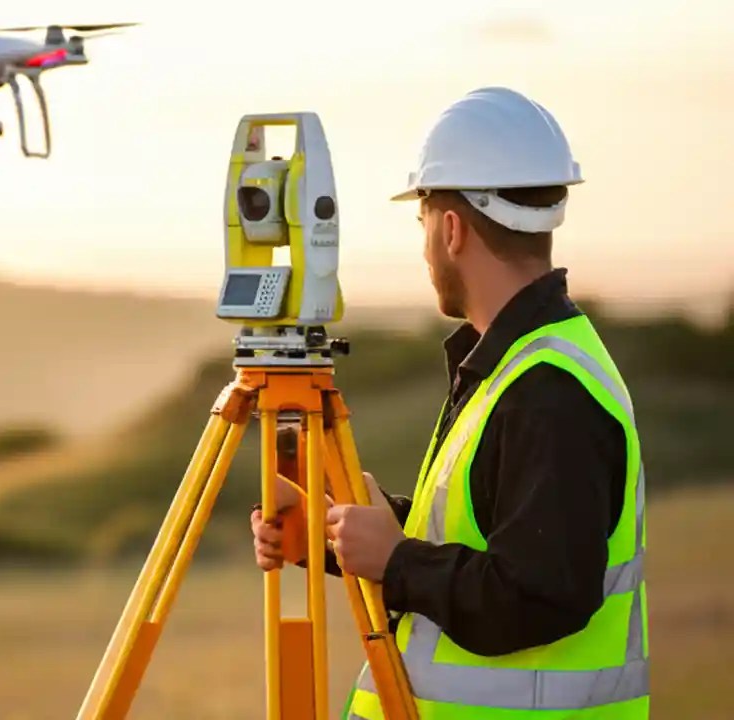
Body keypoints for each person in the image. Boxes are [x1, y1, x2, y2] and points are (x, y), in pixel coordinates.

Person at [250, 87, 649, 718]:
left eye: (423, 224)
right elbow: (490, 540)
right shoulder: (514, 367)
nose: (425, 247)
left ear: (453, 229)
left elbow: (540, 595)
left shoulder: (548, 392)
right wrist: (337, 533)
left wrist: (396, 560)